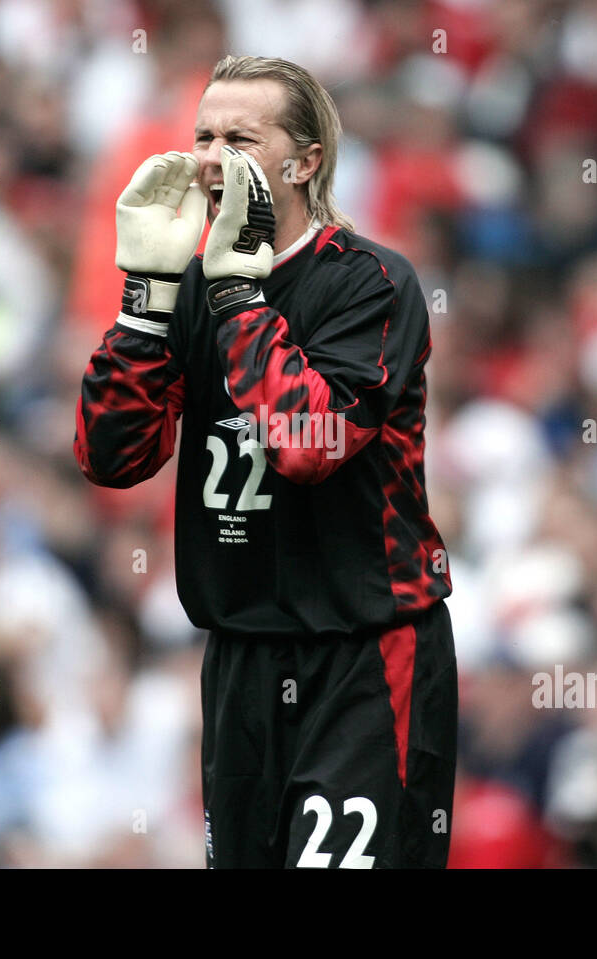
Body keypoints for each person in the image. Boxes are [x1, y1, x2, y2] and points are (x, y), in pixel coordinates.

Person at [74, 55, 456, 868]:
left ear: (304, 160)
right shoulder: (185, 285)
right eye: (203, 135)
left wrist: (240, 299)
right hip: (242, 656)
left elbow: (309, 445)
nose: (210, 156)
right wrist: (145, 302)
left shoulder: (373, 283)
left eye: (239, 137)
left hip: (364, 653)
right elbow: (111, 456)